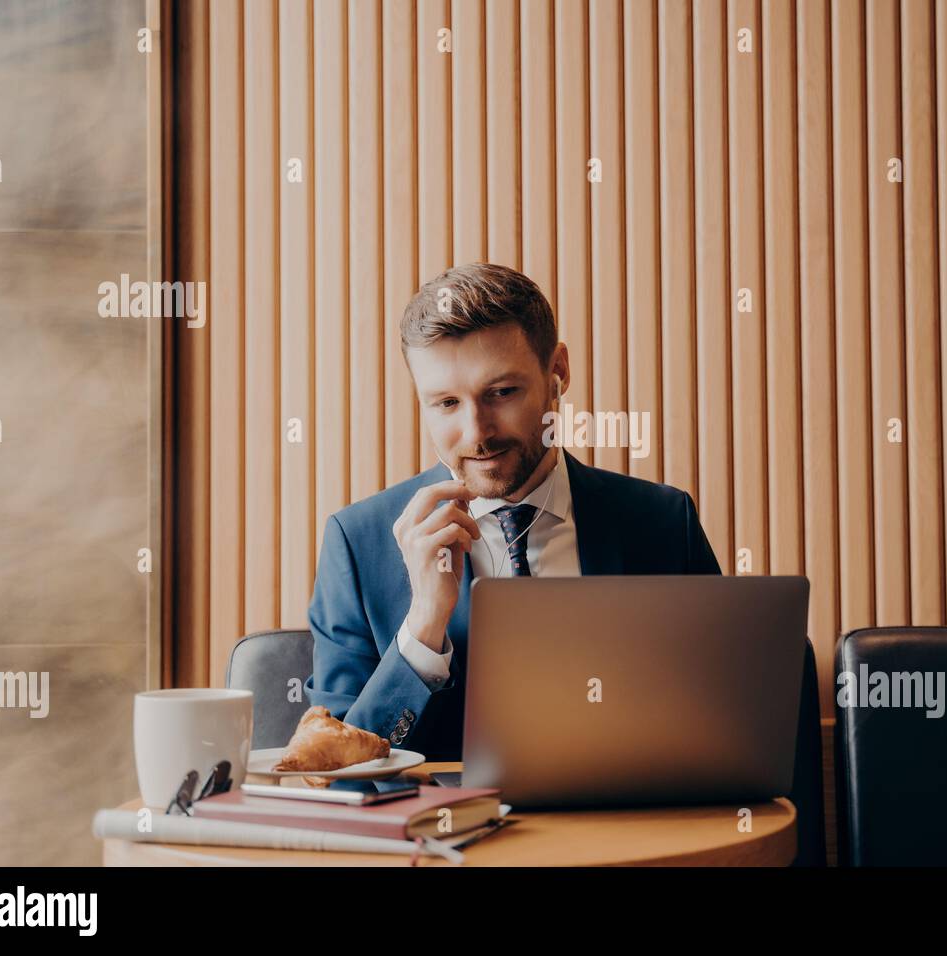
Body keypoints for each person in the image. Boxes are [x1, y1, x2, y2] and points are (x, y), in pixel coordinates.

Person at [305, 262, 721, 759]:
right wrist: (423, 628)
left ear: (558, 373)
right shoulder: (356, 544)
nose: (477, 433)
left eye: (501, 393)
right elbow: (337, 779)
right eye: (445, 404)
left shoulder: (662, 522)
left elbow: (719, 724)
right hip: (444, 837)